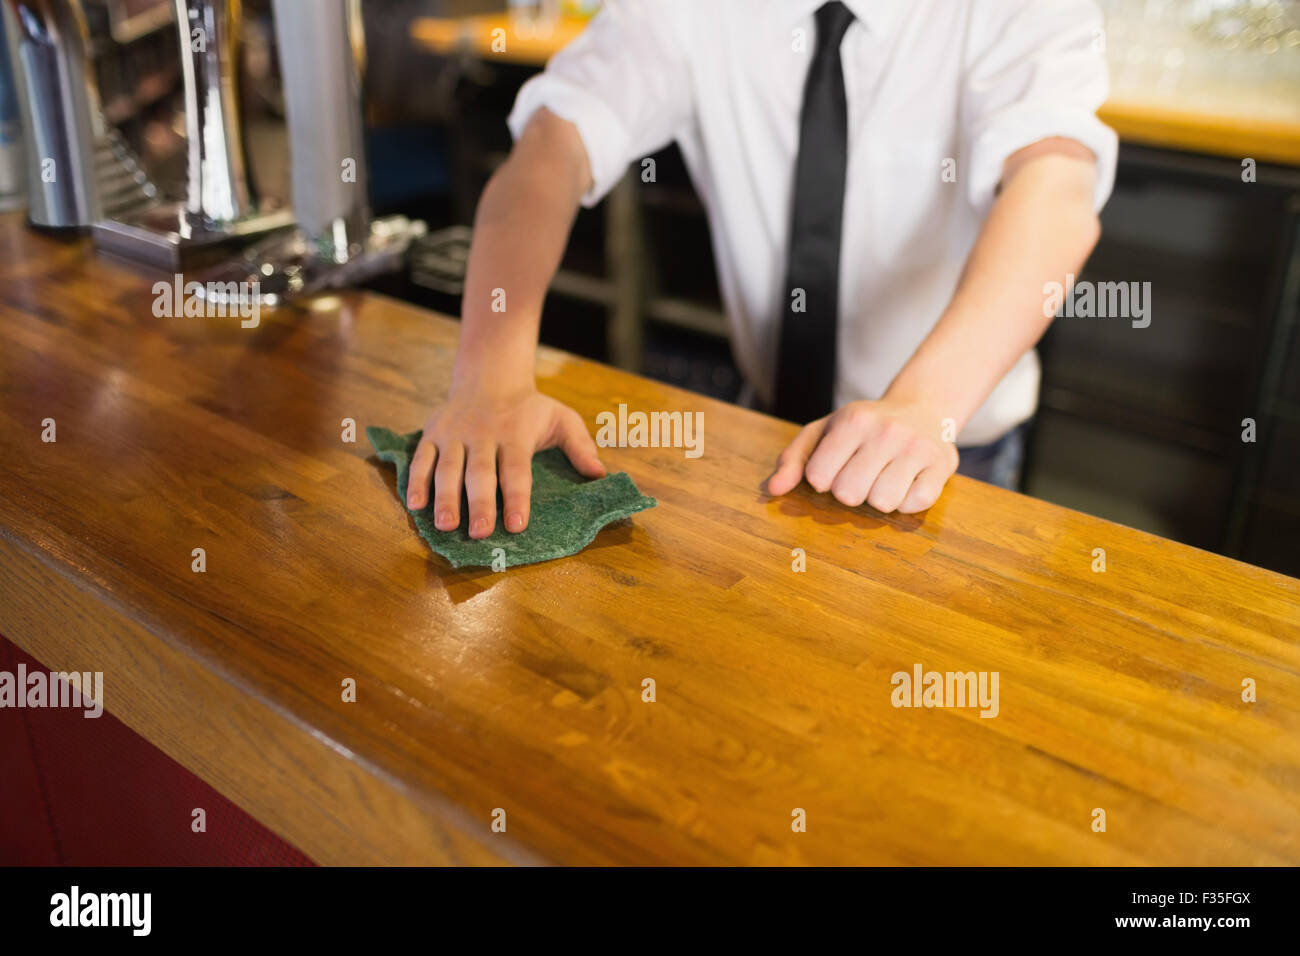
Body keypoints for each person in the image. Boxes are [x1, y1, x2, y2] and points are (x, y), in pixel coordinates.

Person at [405, 0, 1116, 539]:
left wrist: (923, 406)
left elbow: (1054, 191)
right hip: (767, 434)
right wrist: (491, 375)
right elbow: (551, 149)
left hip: (953, 445)